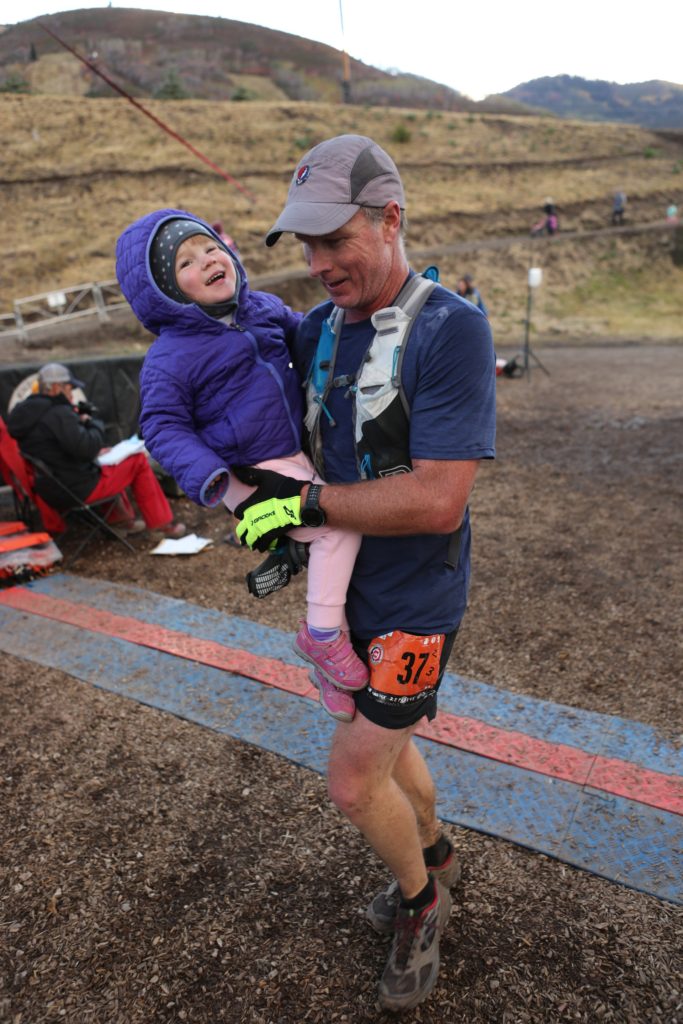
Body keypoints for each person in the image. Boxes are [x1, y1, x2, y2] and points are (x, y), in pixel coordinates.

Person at [231, 135, 496, 1011]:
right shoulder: (315, 330)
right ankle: (438, 852)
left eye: (334, 241)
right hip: (341, 597)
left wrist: (308, 511)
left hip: (418, 598)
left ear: (390, 218)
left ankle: (422, 905)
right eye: (304, 246)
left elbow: (436, 501)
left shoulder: (452, 330)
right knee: (393, 744)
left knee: (352, 779)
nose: (317, 265)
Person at [115, 210, 369, 716]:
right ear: (166, 291)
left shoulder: (263, 309)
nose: (206, 259)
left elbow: (313, 337)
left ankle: (332, 666)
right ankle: (320, 636)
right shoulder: (170, 355)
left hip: (293, 450)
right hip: (242, 470)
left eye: (208, 246)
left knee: (338, 535)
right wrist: (216, 480)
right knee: (337, 527)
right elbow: (162, 426)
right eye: (184, 262)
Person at [7, 362, 185, 537]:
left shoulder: (26, 415)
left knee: (107, 461)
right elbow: (89, 448)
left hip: (50, 489)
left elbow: (57, 450)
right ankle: (161, 525)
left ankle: (120, 520)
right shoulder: (58, 414)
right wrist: (92, 423)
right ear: (55, 388)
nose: (71, 395)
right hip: (76, 489)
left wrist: (87, 440)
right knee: (137, 461)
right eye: (69, 389)